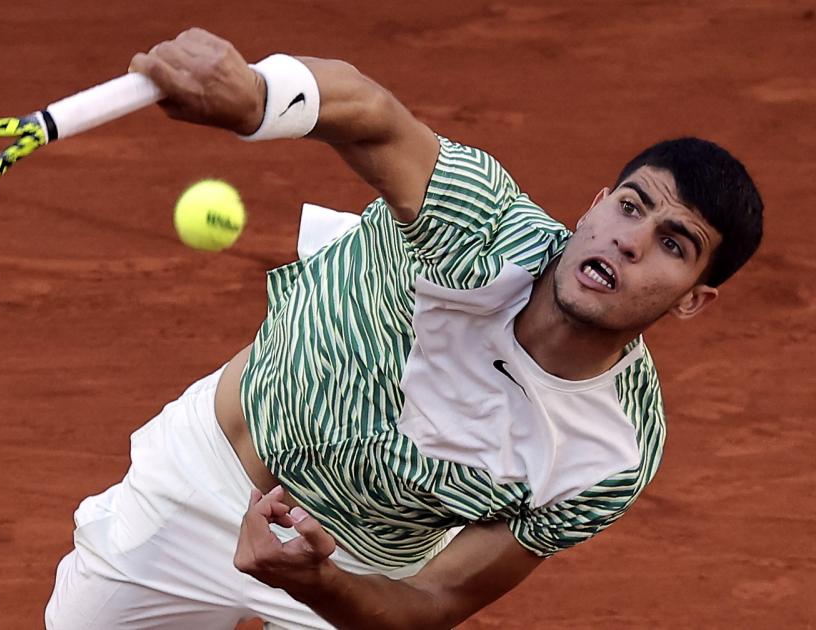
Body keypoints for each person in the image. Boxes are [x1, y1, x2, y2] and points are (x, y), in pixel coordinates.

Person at [44, 28, 764, 629]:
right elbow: (372, 113)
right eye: (631, 208)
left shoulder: (615, 453)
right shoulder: (481, 225)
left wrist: (318, 583)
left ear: (693, 300)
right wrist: (258, 94)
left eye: (674, 244)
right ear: (595, 206)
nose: (630, 242)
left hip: (353, 567)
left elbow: (436, 599)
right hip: (203, 480)